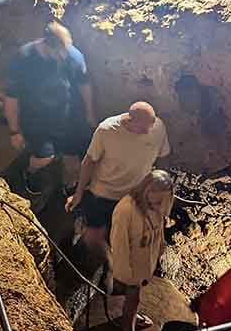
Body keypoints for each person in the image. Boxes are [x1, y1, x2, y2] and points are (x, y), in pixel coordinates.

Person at [66, 101, 170, 260]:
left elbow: (163, 157)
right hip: (103, 194)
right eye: (143, 128)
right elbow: (89, 162)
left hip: (134, 196)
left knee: (125, 235)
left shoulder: (158, 128)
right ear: (130, 120)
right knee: (94, 238)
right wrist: (78, 193)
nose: (148, 131)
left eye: (151, 125)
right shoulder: (107, 130)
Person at [3, 21, 95, 195]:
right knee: (44, 158)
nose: (63, 57)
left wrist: (90, 113)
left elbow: (84, 84)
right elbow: (11, 98)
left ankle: (67, 189)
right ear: (47, 45)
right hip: (36, 118)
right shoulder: (24, 58)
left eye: (65, 53)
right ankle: (26, 172)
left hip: (67, 115)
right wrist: (14, 131)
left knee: (73, 158)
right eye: (59, 55)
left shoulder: (72, 55)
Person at [109, 170, 174, 331]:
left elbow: (159, 231)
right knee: (133, 297)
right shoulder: (126, 209)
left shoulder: (156, 205)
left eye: (163, 200)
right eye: (158, 199)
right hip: (131, 264)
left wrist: (158, 251)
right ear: (147, 191)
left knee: (133, 295)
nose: (160, 204)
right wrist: (125, 274)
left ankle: (129, 317)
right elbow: (119, 244)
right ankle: (128, 330)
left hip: (143, 261)